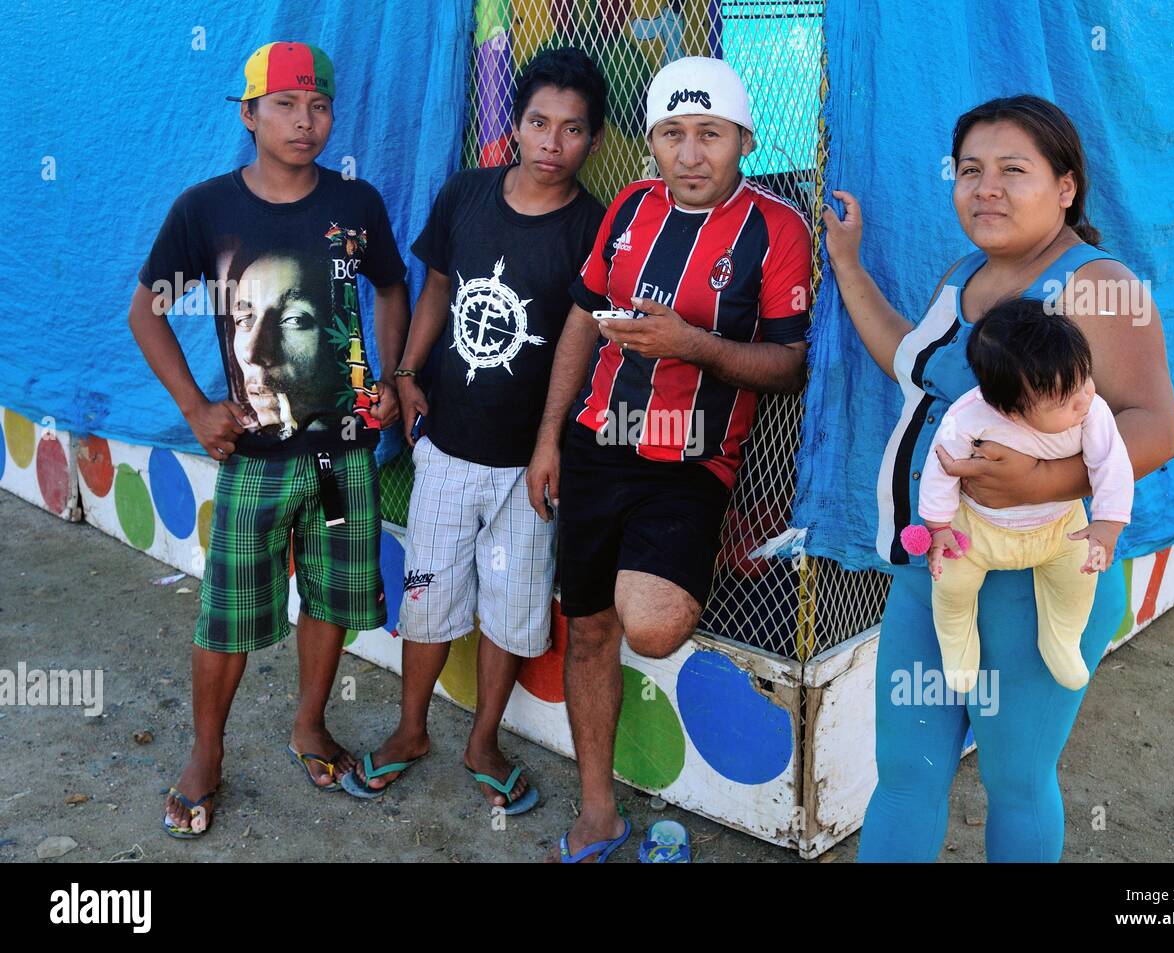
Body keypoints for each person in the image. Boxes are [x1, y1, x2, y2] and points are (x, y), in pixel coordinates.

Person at [822, 94, 1174, 862]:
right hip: (939, 565)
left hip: (1039, 576)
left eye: (1012, 170)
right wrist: (847, 265)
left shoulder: (1098, 284)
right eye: (970, 170)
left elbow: (1156, 425)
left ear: (1066, 187)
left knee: (1016, 781)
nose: (985, 187)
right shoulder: (963, 274)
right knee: (906, 775)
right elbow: (911, 364)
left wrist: (1040, 482)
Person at [527, 56, 813, 862]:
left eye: (710, 135)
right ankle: (596, 810)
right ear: (651, 142)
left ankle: (702, 551)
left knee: (648, 627)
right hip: (596, 443)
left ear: (743, 141)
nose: (691, 154)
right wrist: (550, 436)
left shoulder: (777, 227)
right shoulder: (627, 207)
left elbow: (793, 367)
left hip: (693, 459)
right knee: (586, 630)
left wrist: (692, 345)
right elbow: (583, 319)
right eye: (673, 135)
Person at [128, 42, 410, 838]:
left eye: (317, 105)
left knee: (334, 597)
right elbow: (146, 311)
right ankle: (206, 755)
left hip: (342, 455)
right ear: (248, 115)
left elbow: (392, 284)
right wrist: (195, 407)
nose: (304, 121)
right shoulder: (206, 209)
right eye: (284, 105)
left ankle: (310, 724)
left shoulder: (358, 205)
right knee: (228, 614)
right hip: (253, 456)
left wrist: (392, 373)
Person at [341, 49, 607, 814]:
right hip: (448, 447)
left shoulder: (594, 226)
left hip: (530, 465)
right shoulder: (465, 193)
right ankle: (410, 728)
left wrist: (553, 444)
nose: (553, 143)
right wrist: (406, 372)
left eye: (573, 129)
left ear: (593, 139)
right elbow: (438, 290)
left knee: (513, 607)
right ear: (514, 127)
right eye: (538, 123)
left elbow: (579, 346)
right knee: (425, 594)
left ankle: (483, 738)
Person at [905, 298, 1134, 693]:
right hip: (979, 530)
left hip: (1061, 526)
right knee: (952, 585)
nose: (1085, 398)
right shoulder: (968, 419)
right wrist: (938, 527)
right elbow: (942, 470)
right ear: (1009, 410)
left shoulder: (1090, 410)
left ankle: (1061, 638)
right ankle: (957, 641)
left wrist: (1107, 524)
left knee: (1080, 580)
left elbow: (1112, 464)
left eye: (1085, 378)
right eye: (1065, 398)